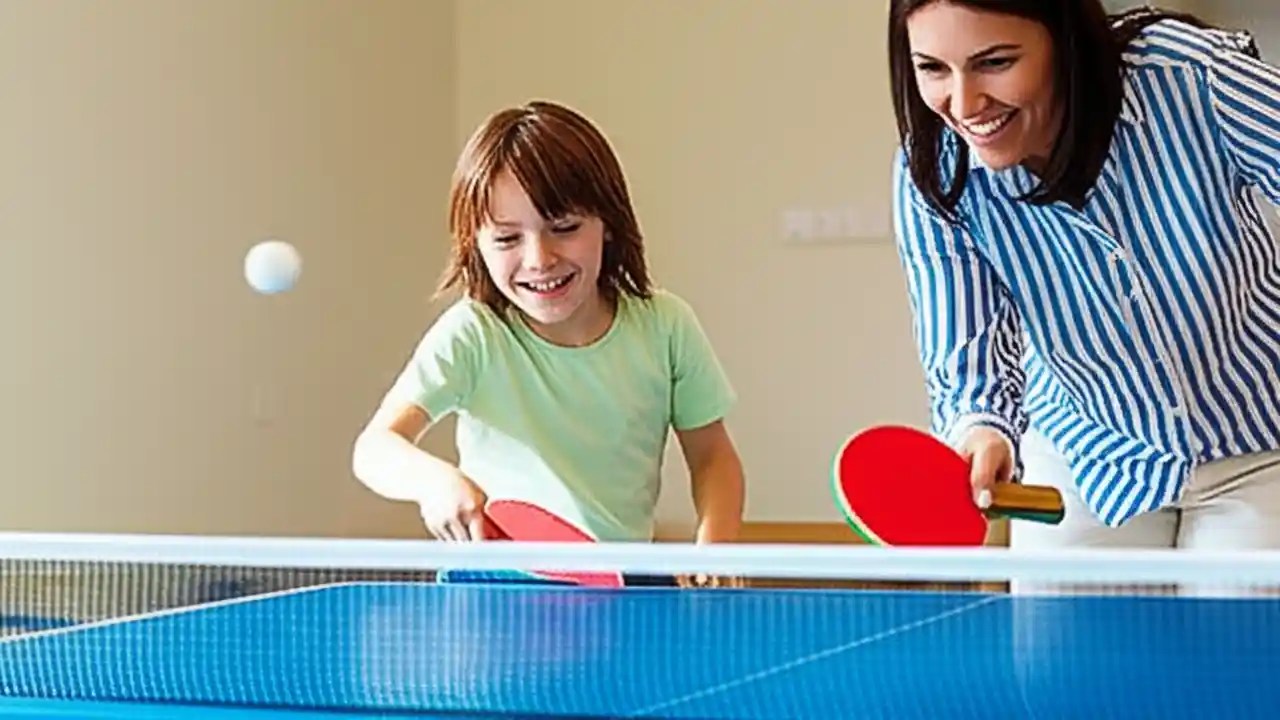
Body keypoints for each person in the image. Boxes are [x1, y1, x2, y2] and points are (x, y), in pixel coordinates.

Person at [887, 1, 1280, 555]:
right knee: (1066, 647)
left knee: (1243, 642)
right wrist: (981, 428)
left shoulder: (1188, 74)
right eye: (932, 68)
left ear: (1062, 38)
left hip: (1259, 444)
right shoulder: (933, 171)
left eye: (995, 62)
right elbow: (965, 352)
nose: (964, 103)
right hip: (1086, 458)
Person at [351, 100, 746, 568]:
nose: (539, 258)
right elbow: (375, 448)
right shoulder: (474, 333)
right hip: (496, 588)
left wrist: (715, 550)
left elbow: (712, 456)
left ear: (609, 226)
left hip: (623, 582)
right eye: (507, 238)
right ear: (475, 246)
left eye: (564, 228)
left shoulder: (666, 327)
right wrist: (434, 483)